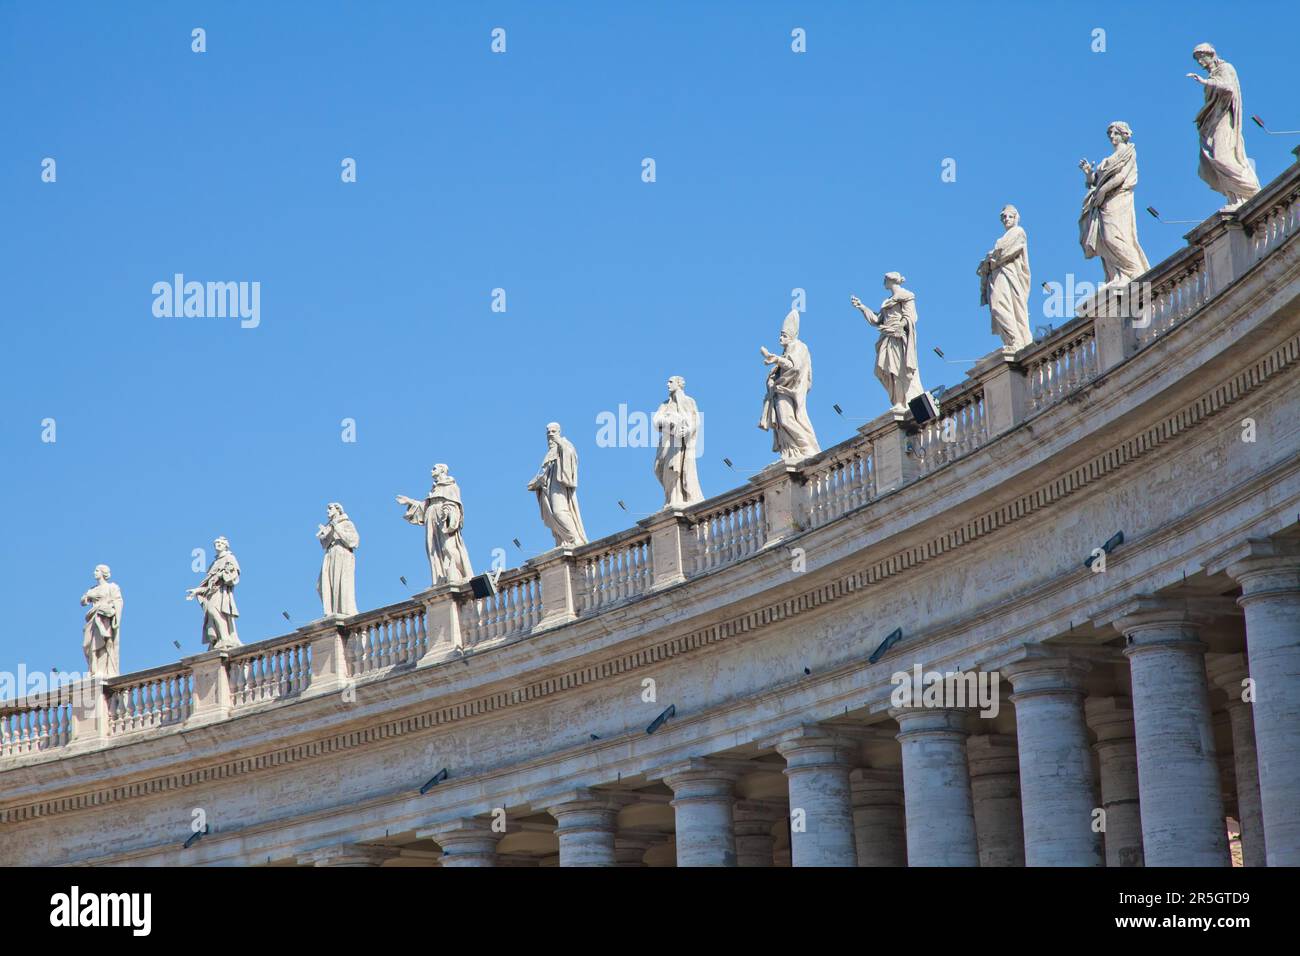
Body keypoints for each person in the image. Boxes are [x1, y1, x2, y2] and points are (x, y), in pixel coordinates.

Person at [1078, 121, 1150, 289]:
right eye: (1109, 134)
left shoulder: (1129, 152)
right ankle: (1116, 275)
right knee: (1104, 239)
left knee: (1115, 236)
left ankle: (1134, 272)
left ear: (1123, 134)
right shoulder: (1107, 160)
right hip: (1102, 203)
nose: (1112, 136)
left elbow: (1121, 177)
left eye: (1115, 133)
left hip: (1118, 198)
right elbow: (1094, 181)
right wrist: (1089, 173)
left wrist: (1103, 191)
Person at [1187, 43, 1260, 208]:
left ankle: (1250, 189)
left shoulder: (1226, 68)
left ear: (1211, 54)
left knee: (1221, 157)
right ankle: (1235, 197)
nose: (1199, 62)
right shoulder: (1213, 74)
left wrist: (1206, 82)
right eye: (1197, 59)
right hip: (1212, 121)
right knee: (1209, 161)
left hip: (1224, 119)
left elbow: (1229, 88)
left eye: (1201, 57)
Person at [852, 273, 924, 410]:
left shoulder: (907, 295)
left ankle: (900, 401)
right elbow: (877, 320)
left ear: (891, 280)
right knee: (883, 370)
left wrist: (900, 325)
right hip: (887, 336)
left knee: (896, 368)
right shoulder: (887, 300)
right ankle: (897, 399)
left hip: (898, 337)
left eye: (885, 279)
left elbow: (911, 316)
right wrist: (861, 307)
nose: (883, 282)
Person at [758, 309, 820, 463]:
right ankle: (790, 451)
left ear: (792, 336)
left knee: (786, 420)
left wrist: (775, 359)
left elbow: (794, 366)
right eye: (780, 334)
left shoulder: (798, 347)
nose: (780, 338)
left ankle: (806, 448)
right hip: (781, 391)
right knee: (783, 422)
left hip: (789, 391)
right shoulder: (787, 351)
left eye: (784, 335)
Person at [397, 466, 474, 585]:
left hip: (443, 518)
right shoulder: (434, 489)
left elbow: (455, 504)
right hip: (431, 519)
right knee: (434, 551)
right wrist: (410, 501)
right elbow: (426, 507)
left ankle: (461, 574)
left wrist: (449, 513)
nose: (431, 471)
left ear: (442, 470)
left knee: (448, 547)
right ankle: (443, 577)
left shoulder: (451, 485)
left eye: (434, 468)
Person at [978, 205, 1033, 351]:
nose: (1006, 219)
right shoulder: (1002, 238)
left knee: (999, 306)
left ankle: (1016, 340)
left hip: (1009, 275)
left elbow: (1007, 252)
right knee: (997, 308)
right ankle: (1012, 339)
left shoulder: (1019, 232)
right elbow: (999, 253)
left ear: (1016, 218)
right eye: (1003, 217)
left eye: (1009, 216)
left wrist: (992, 259)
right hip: (998, 275)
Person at [528, 424, 588, 548]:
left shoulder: (565, 445)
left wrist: (560, 442)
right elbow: (547, 473)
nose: (550, 434)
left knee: (560, 512)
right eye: (548, 432)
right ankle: (563, 540)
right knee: (553, 514)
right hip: (549, 488)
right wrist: (538, 482)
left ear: (559, 432)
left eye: (553, 431)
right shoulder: (551, 452)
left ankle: (575, 539)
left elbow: (571, 456)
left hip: (559, 488)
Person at [653, 376, 705, 509]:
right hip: (666, 443)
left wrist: (687, 430)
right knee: (659, 468)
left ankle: (675, 499)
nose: (667, 384)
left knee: (674, 468)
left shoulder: (689, 401)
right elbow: (655, 421)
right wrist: (669, 421)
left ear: (679, 384)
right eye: (667, 382)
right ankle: (671, 497)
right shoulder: (664, 405)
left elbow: (696, 422)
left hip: (679, 443)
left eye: (670, 382)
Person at [186, 537, 241, 649]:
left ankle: (225, 638)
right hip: (212, 593)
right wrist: (196, 590)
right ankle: (220, 639)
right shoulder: (214, 563)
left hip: (221, 593)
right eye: (217, 543)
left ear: (226, 546)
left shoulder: (230, 558)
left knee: (214, 611)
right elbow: (208, 584)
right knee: (211, 613)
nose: (218, 545)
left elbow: (234, 575)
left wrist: (223, 575)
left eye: (221, 543)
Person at [80, 564, 123, 678]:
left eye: (97, 570)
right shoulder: (92, 589)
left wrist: (114, 615)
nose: (94, 572)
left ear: (103, 573)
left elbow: (118, 602)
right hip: (93, 617)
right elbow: (83, 602)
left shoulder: (112, 587)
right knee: (87, 645)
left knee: (102, 642)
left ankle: (101, 670)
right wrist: (88, 596)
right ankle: (92, 669)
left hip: (104, 617)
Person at [316, 502, 359, 615]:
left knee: (341, 583)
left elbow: (354, 541)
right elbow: (324, 543)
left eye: (330, 508)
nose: (327, 511)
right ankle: (330, 610)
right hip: (330, 554)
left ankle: (344, 611)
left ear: (338, 510)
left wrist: (337, 528)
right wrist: (326, 533)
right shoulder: (328, 526)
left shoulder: (347, 524)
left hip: (342, 554)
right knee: (321, 586)